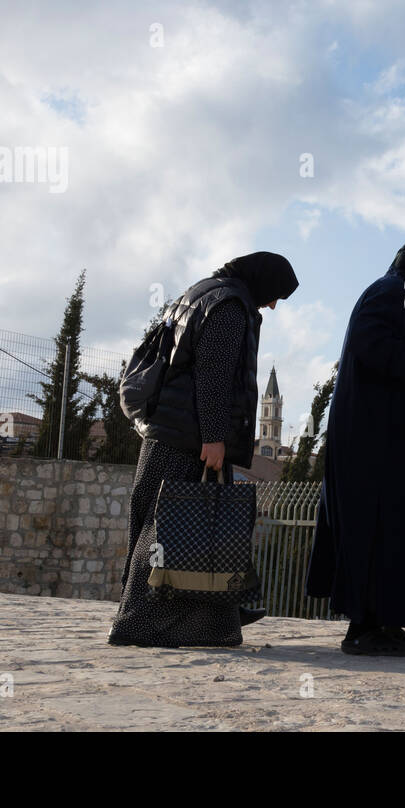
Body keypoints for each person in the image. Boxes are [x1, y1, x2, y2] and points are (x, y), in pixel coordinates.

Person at [108, 252, 299, 648]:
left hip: (168, 431)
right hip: (191, 440)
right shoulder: (229, 306)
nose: (273, 304)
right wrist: (214, 439)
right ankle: (142, 623)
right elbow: (213, 376)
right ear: (261, 281)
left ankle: (209, 617)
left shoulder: (199, 293)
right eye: (276, 295)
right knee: (174, 531)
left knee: (166, 524)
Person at [305, 237, 405, 657]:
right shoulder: (389, 291)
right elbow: (367, 339)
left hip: (393, 444)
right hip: (375, 447)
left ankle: (387, 620)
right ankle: (362, 627)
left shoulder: (402, 294)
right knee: (373, 533)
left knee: (395, 533)